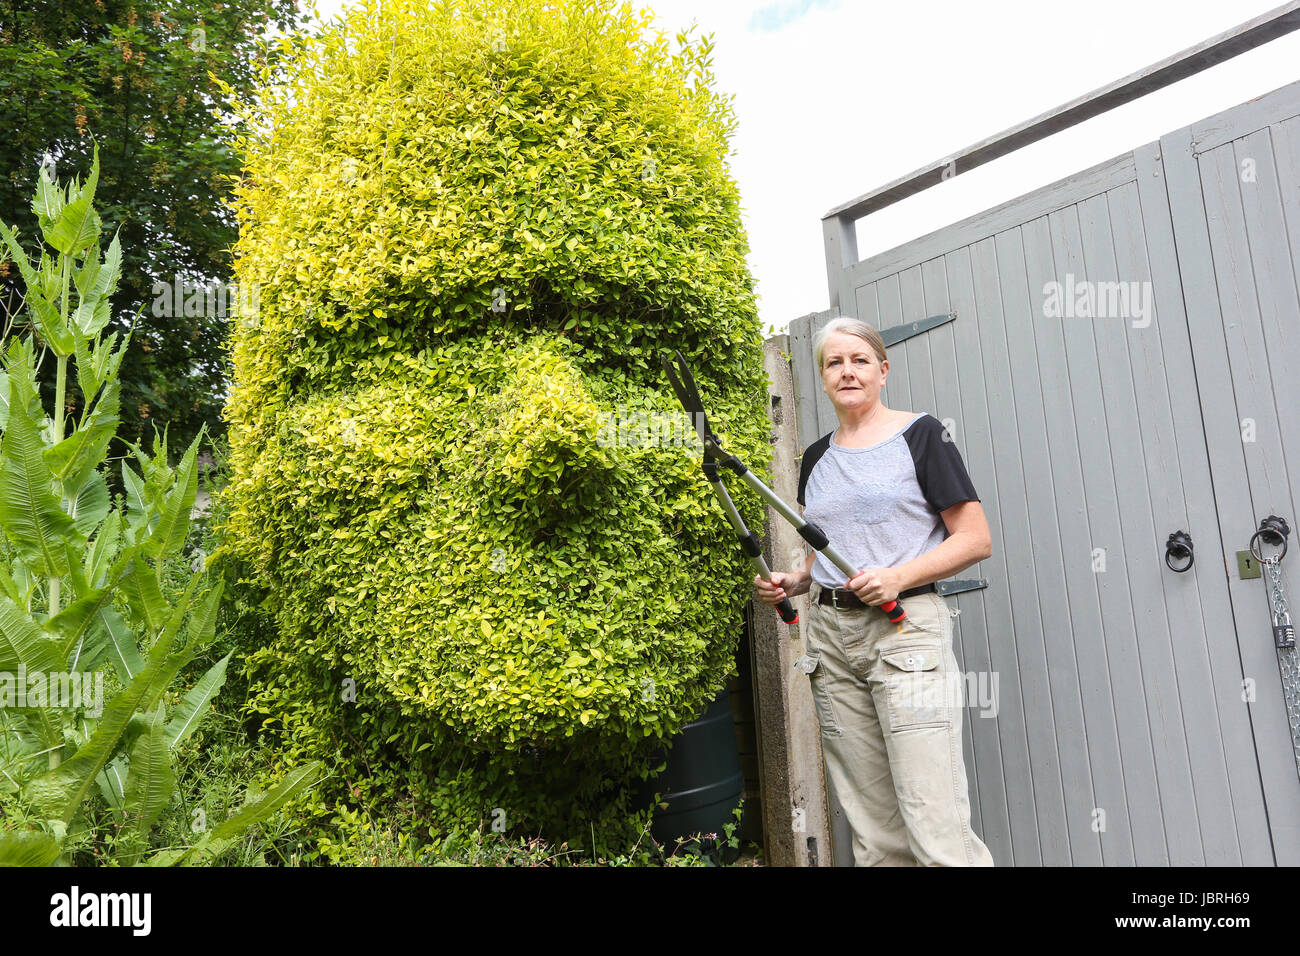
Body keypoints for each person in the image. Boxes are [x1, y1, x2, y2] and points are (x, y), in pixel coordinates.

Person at [755, 316, 995, 867]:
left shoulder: (922, 435)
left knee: (933, 818)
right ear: (821, 378)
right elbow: (837, 547)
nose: (847, 371)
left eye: (859, 360)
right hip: (832, 640)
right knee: (874, 831)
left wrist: (898, 576)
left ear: (882, 370)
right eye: (834, 362)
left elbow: (975, 539)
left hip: (903, 631)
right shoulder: (815, 458)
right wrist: (799, 578)